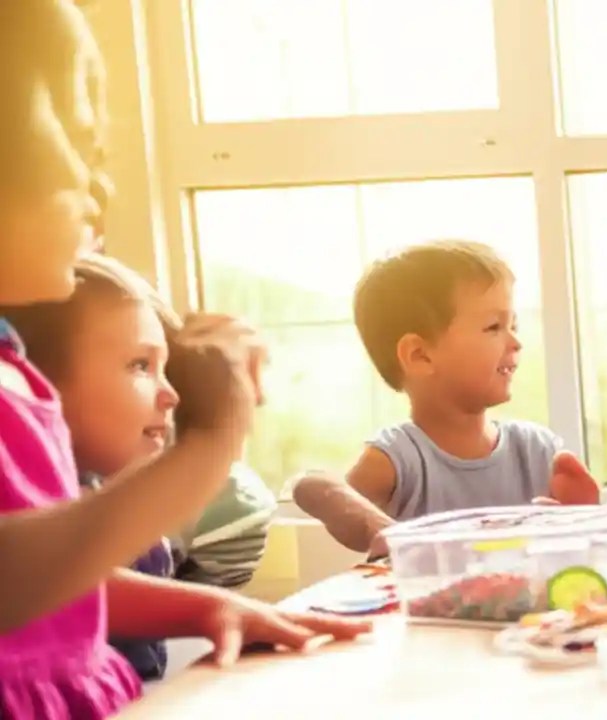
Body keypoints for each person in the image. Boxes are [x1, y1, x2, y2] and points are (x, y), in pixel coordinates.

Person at [0, 4, 367, 715]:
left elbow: (60, 581)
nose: (100, 190)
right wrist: (210, 441)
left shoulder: (15, 368)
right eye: (80, 144)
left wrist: (203, 608)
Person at [293, 240, 598, 556]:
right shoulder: (402, 456)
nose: (516, 342)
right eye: (494, 327)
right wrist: (390, 535)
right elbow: (311, 486)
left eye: (514, 325)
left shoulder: (538, 450)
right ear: (420, 355)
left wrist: (583, 522)